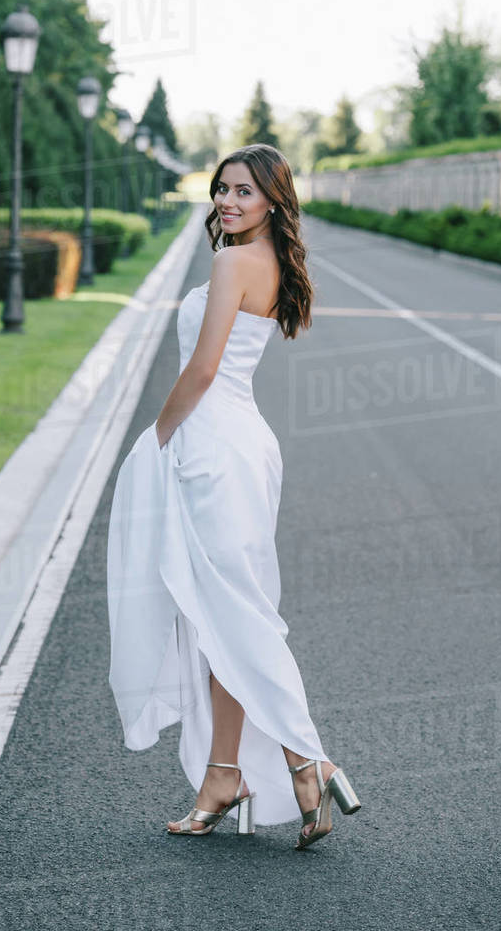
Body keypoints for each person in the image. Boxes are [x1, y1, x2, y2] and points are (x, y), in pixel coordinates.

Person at [106, 143, 360, 849]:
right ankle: (227, 773)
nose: (225, 200)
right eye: (221, 189)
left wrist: (152, 440)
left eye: (242, 191)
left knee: (235, 616)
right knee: (225, 616)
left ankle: (306, 758)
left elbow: (202, 368)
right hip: (242, 446)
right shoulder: (273, 263)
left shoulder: (229, 262)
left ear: (272, 200)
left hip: (211, 450)